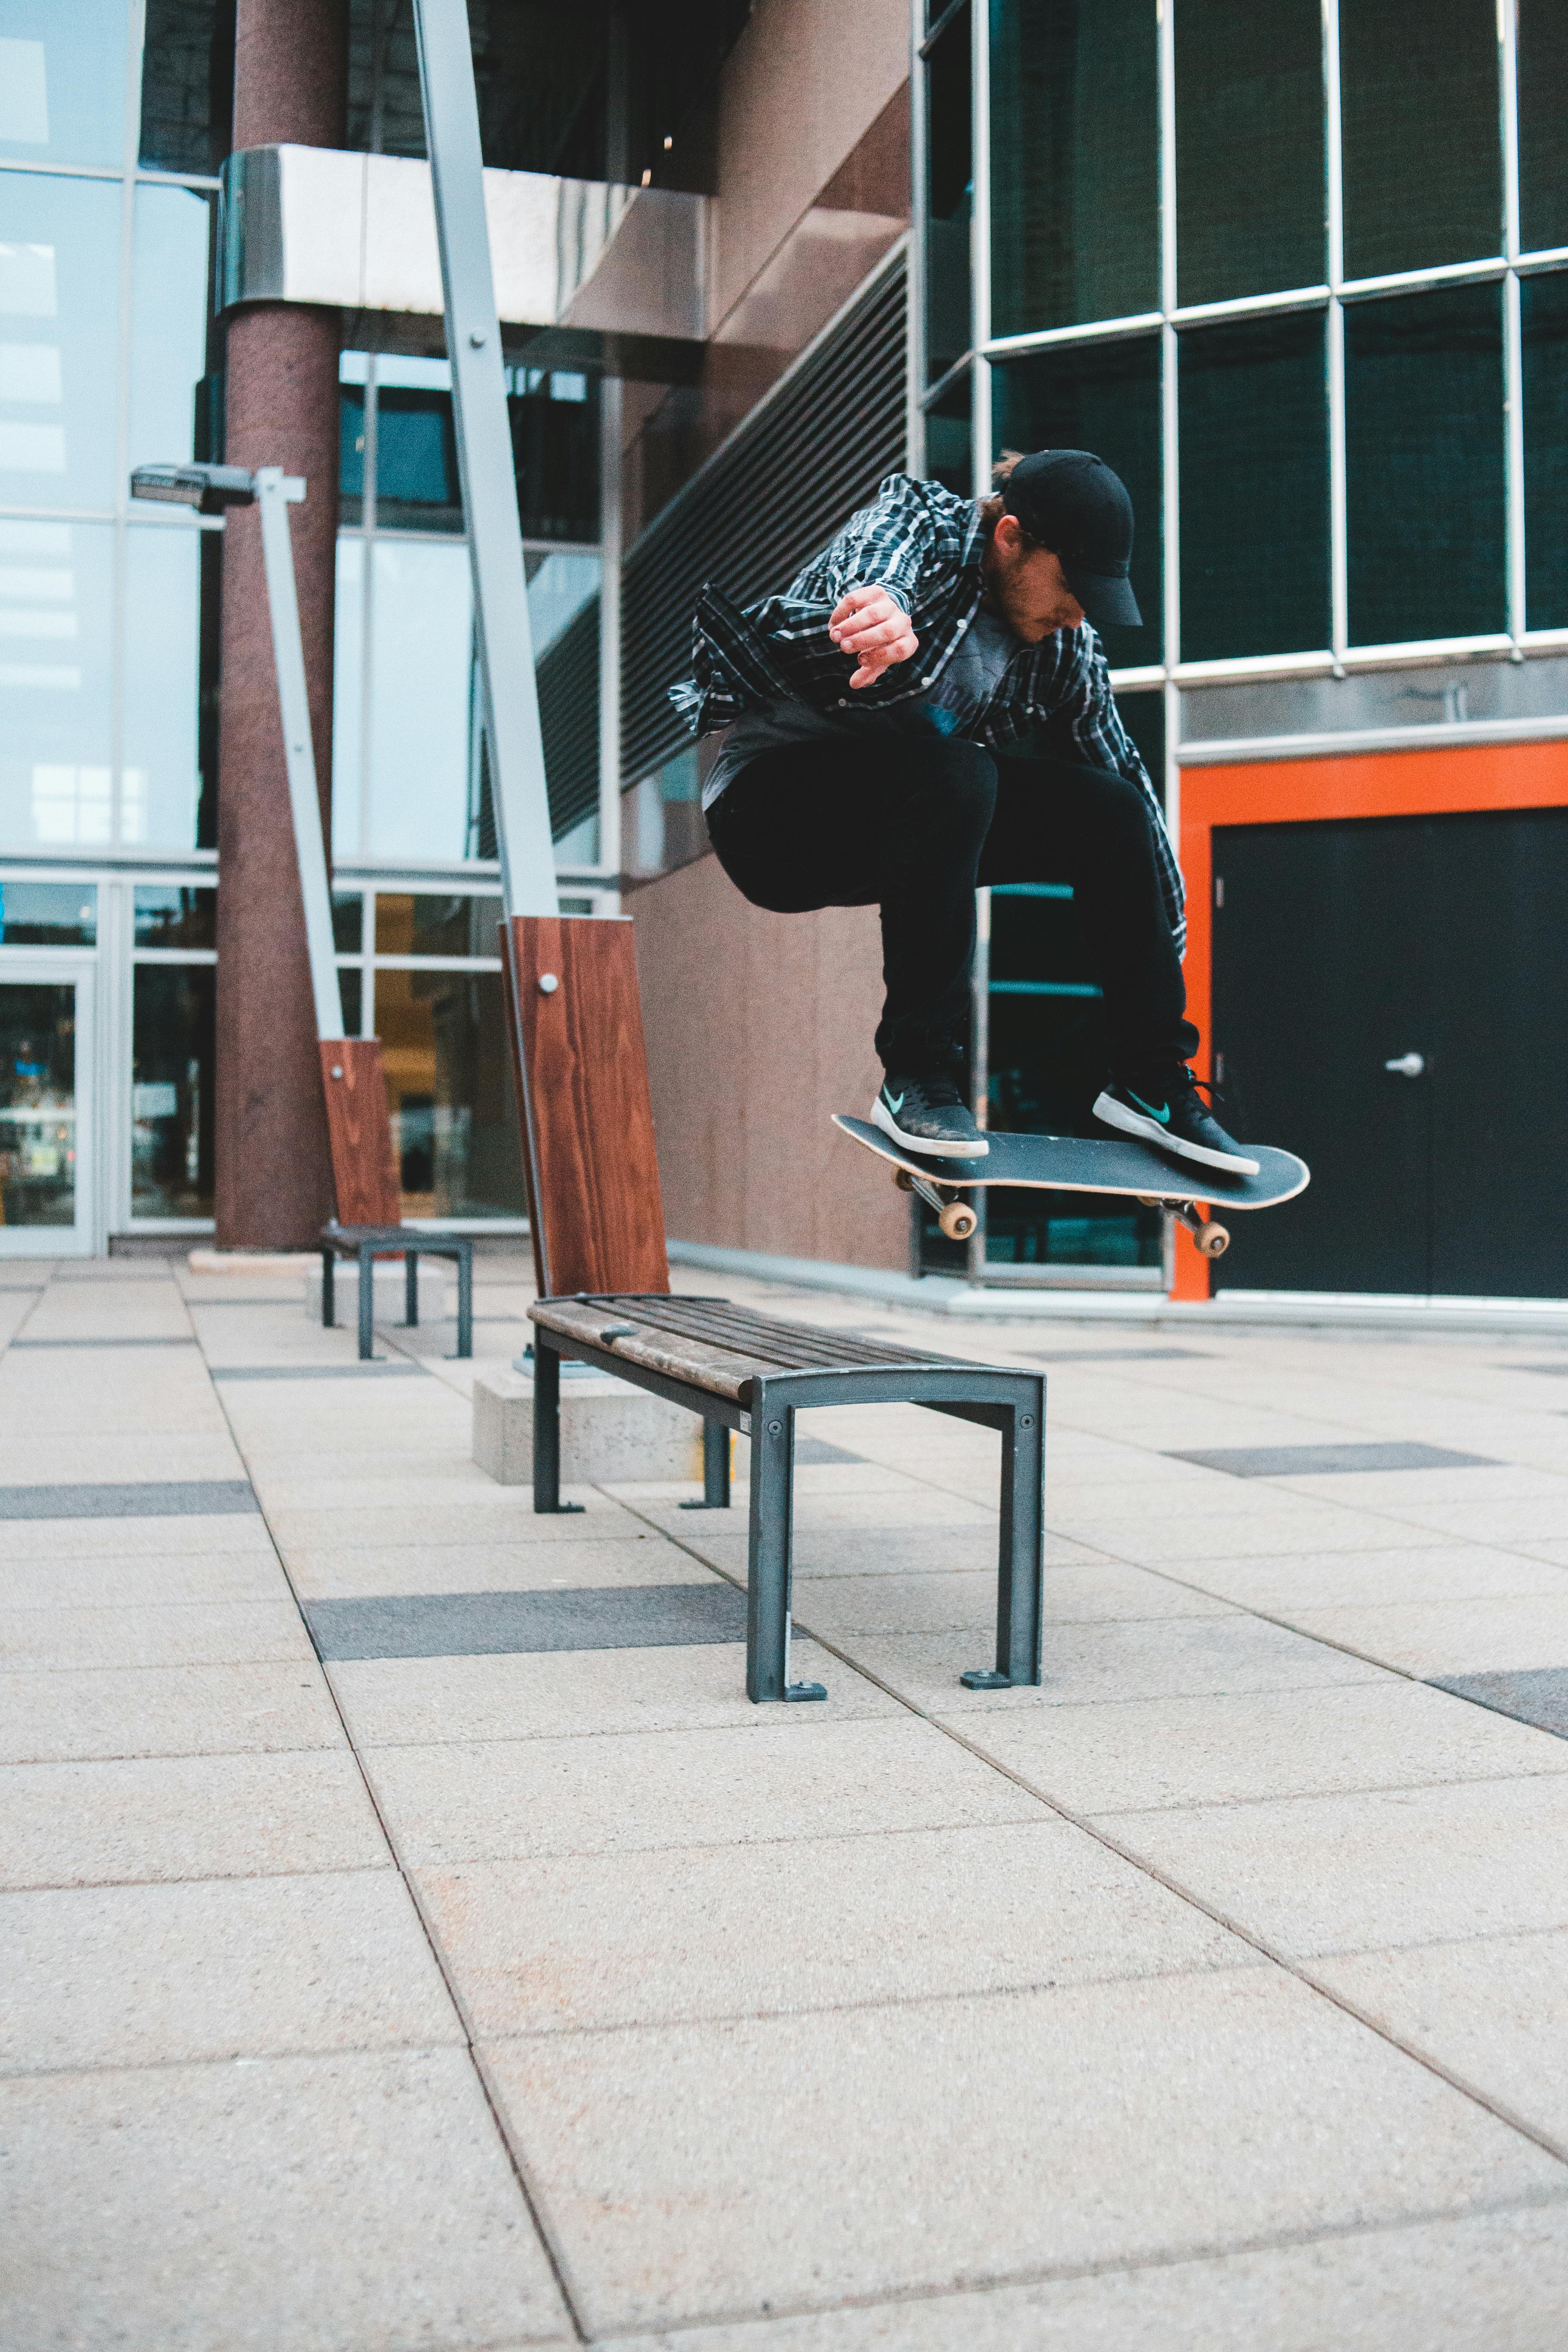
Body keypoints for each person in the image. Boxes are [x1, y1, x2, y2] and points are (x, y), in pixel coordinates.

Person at [670, 449, 1258, 1176]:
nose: (1076, 613)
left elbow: (1123, 771)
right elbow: (881, 555)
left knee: (1111, 809)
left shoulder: (1066, 651)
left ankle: (1151, 1084)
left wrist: (1162, 935)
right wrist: (880, 607)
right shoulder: (928, 527)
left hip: (904, 818)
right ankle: (918, 1077)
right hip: (770, 819)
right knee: (958, 773)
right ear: (1010, 537)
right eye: (1070, 587)